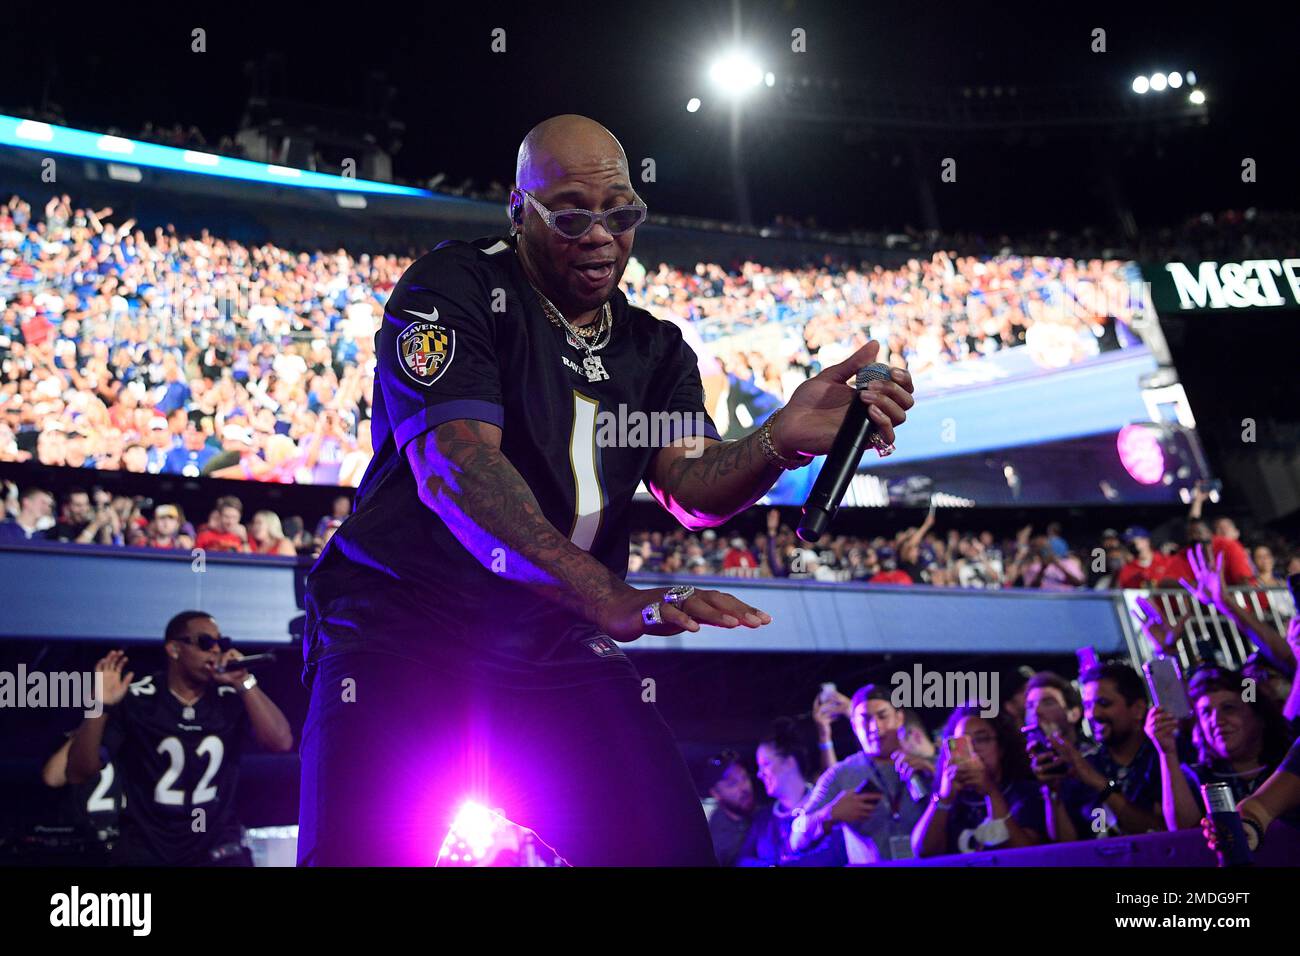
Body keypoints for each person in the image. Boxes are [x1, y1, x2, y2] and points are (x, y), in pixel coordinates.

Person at [297, 115, 915, 865]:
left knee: (664, 845)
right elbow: (458, 469)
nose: (601, 236)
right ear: (519, 212)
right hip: (407, 626)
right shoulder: (455, 286)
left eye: (621, 214)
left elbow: (692, 485)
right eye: (571, 215)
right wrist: (610, 596)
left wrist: (776, 440)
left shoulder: (654, 346)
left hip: (554, 634)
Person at [65, 611, 294, 865]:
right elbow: (78, 772)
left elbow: (281, 742)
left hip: (214, 841)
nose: (216, 650)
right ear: (174, 649)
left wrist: (245, 683)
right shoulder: (139, 700)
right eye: (205, 643)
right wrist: (99, 706)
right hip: (149, 844)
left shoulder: (230, 699)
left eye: (221, 642)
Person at [1147, 665, 1294, 831]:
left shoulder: (1291, 763)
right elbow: (1183, 834)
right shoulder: (1197, 777)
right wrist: (1167, 752)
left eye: (1228, 708)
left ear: (1258, 714)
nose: (1216, 720)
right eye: (1206, 712)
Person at [790, 685, 925, 862]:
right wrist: (828, 815)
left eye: (882, 716)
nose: (875, 726)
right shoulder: (840, 774)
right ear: (854, 725)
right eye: (865, 719)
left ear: (899, 718)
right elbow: (796, 835)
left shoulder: (925, 765)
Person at [1034, 663, 1162, 840]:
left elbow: (1162, 832)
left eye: (1103, 703)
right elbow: (1067, 846)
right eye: (1087, 705)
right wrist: (1052, 792)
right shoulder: (1087, 764)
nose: (1093, 714)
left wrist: (1098, 783)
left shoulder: (1161, 758)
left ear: (1138, 710)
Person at [912, 707, 1044, 856]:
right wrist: (944, 798)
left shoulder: (1025, 793)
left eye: (981, 739)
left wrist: (991, 792)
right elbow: (923, 852)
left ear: (1001, 747)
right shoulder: (950, 800)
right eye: (961, 743)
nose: (972, 749)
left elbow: (1027, 856)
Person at [737, 719, 847, 866]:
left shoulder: (826, 807)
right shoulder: (763, 819)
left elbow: (840, 855)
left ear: (789, 762)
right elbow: (743, 862)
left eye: (765, 764)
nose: (759, 774)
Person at [703, 750, 756, 866]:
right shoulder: (716, 840)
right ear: (715, 793)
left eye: (744, 777)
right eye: (732, 783)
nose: (744, 787)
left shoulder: (764, 813)